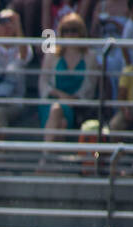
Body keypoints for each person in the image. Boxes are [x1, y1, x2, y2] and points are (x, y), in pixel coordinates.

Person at [39, 13, 99, 144]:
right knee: (57, 112)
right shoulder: (51, 55)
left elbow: (88, 89)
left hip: (75, 106)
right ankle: (48, 157)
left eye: (74, 31)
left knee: (62, 121)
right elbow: (44, 84)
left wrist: (71, 100)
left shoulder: (91, 57)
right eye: (65, 31)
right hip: (51, 102)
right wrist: (61, 96)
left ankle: (45, 157)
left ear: (81, 33)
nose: (69, 35)